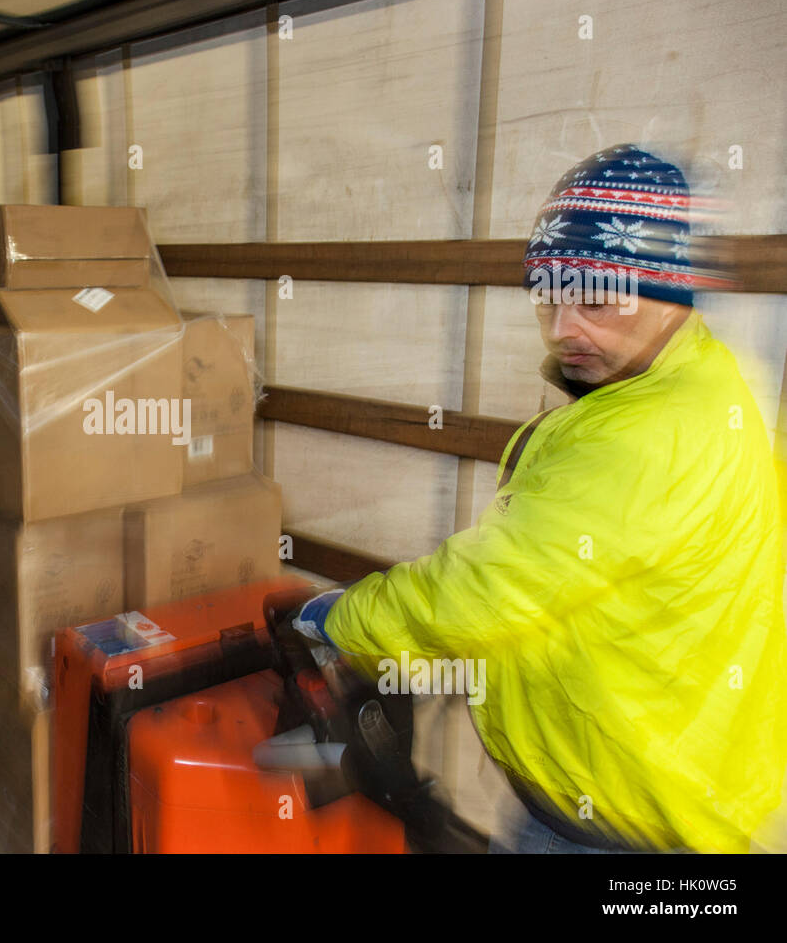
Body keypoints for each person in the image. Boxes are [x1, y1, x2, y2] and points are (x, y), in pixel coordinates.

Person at [295, 144, 787, 853]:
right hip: (660, 781)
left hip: (623, 819)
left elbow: (497, 581)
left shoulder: (648, 434)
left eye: (596, 298)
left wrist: (348, 622)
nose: (564, 328)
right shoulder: (697, 377)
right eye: (550, 295)